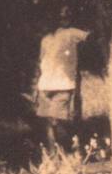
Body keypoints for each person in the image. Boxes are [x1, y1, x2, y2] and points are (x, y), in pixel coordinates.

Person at [35, 24, 90, 152]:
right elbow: (90, 38)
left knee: (54, 121)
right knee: (54, 121)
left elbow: (41, 61)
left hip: (52, 85)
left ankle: (61, 153)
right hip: (55, 85)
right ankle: (59, 154)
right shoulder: (68, 33)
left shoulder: (53, 37)